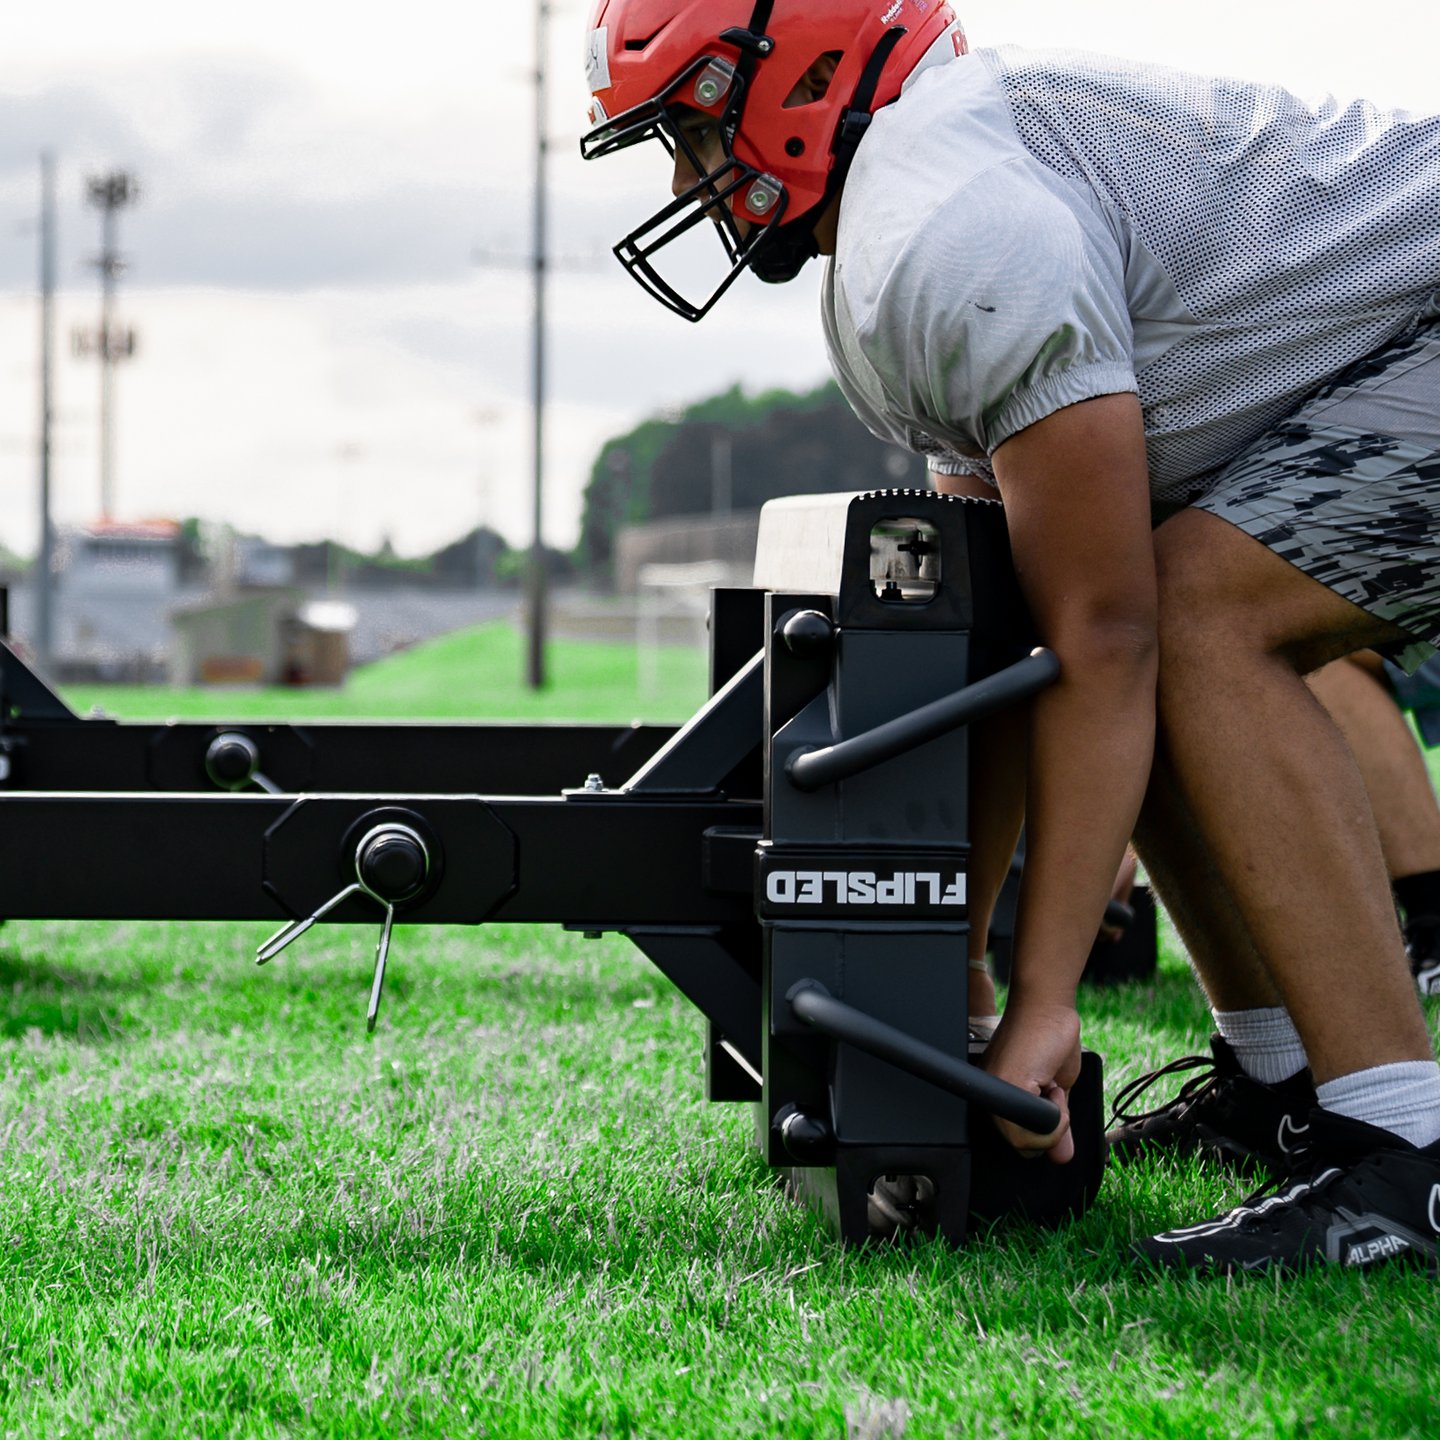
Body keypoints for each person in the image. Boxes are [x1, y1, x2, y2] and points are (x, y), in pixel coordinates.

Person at [580, 1, 1440, 1273]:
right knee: (1142, 604)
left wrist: (1046, 998)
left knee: (1192, 620)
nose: (684, 178)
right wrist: (959, 977)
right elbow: (997, 644)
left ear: (798, 79)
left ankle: (1403, 1152)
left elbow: (1104, 641)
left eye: (695, 131)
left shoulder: (952, 228)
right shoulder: (917, 209)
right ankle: (1283, 1082)